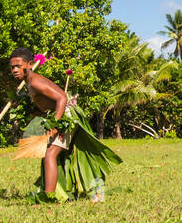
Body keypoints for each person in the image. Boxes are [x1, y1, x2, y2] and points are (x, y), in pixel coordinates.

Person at [8, 49, 121, 201]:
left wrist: (56, 125)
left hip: (66, 114)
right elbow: (45, 103)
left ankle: (49, 197)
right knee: (52, 155)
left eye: (18, 66)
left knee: (50, 153)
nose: (14, 70)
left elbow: (61, 97)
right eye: (12, 67)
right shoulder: (28, 83)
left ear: (29, 64)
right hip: (58, 114)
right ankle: (61, 192)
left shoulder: (35, 81)